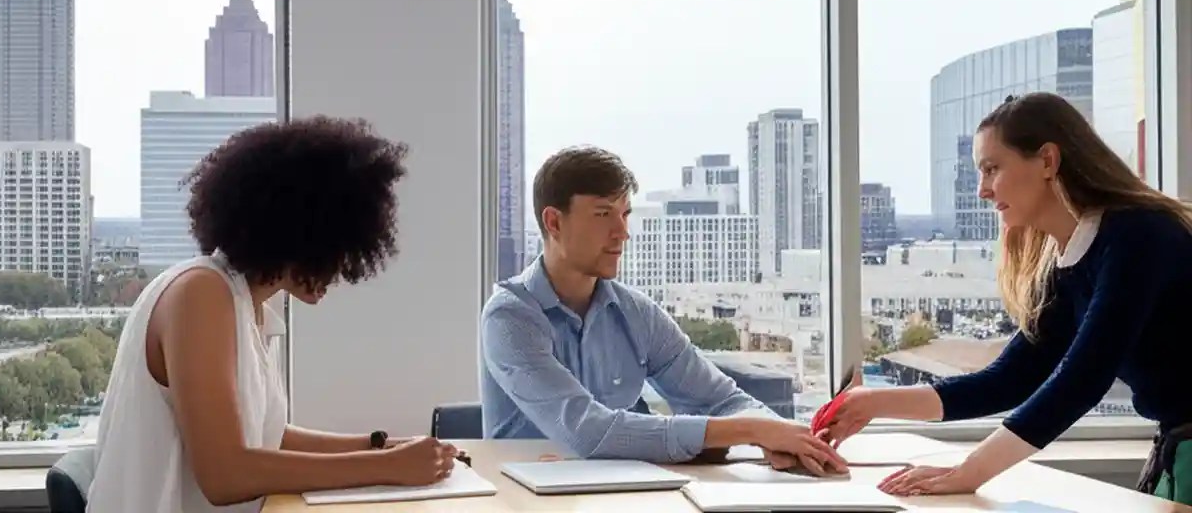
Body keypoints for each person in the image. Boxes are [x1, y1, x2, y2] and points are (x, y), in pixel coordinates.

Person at [822, 92, 1192, 504]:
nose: (982, 190)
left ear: (1048, 161)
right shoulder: (1072, 259)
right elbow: (1010, 379)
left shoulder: (1138, 236)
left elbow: (1082, 381)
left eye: (992, 169)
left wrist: (969, 473)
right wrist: (871, 403)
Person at [88, 117, 459, 513]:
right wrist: (384, 466)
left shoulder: (248, 306)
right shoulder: (201, 294)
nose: (341, 270)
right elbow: (226, 474)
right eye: (336, 248)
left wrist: (383, 446)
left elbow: (269, 437)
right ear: (299, 232)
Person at [481, 145, 847, 475]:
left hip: (628, 495)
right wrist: (752, 430)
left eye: (625, 214)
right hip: (526, 501)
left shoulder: (636, 312)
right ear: (554, 222)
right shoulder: (510, 318)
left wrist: (778, 439)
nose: (622, 232)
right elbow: (588, 430)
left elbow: (721, 399)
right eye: (603, 214)